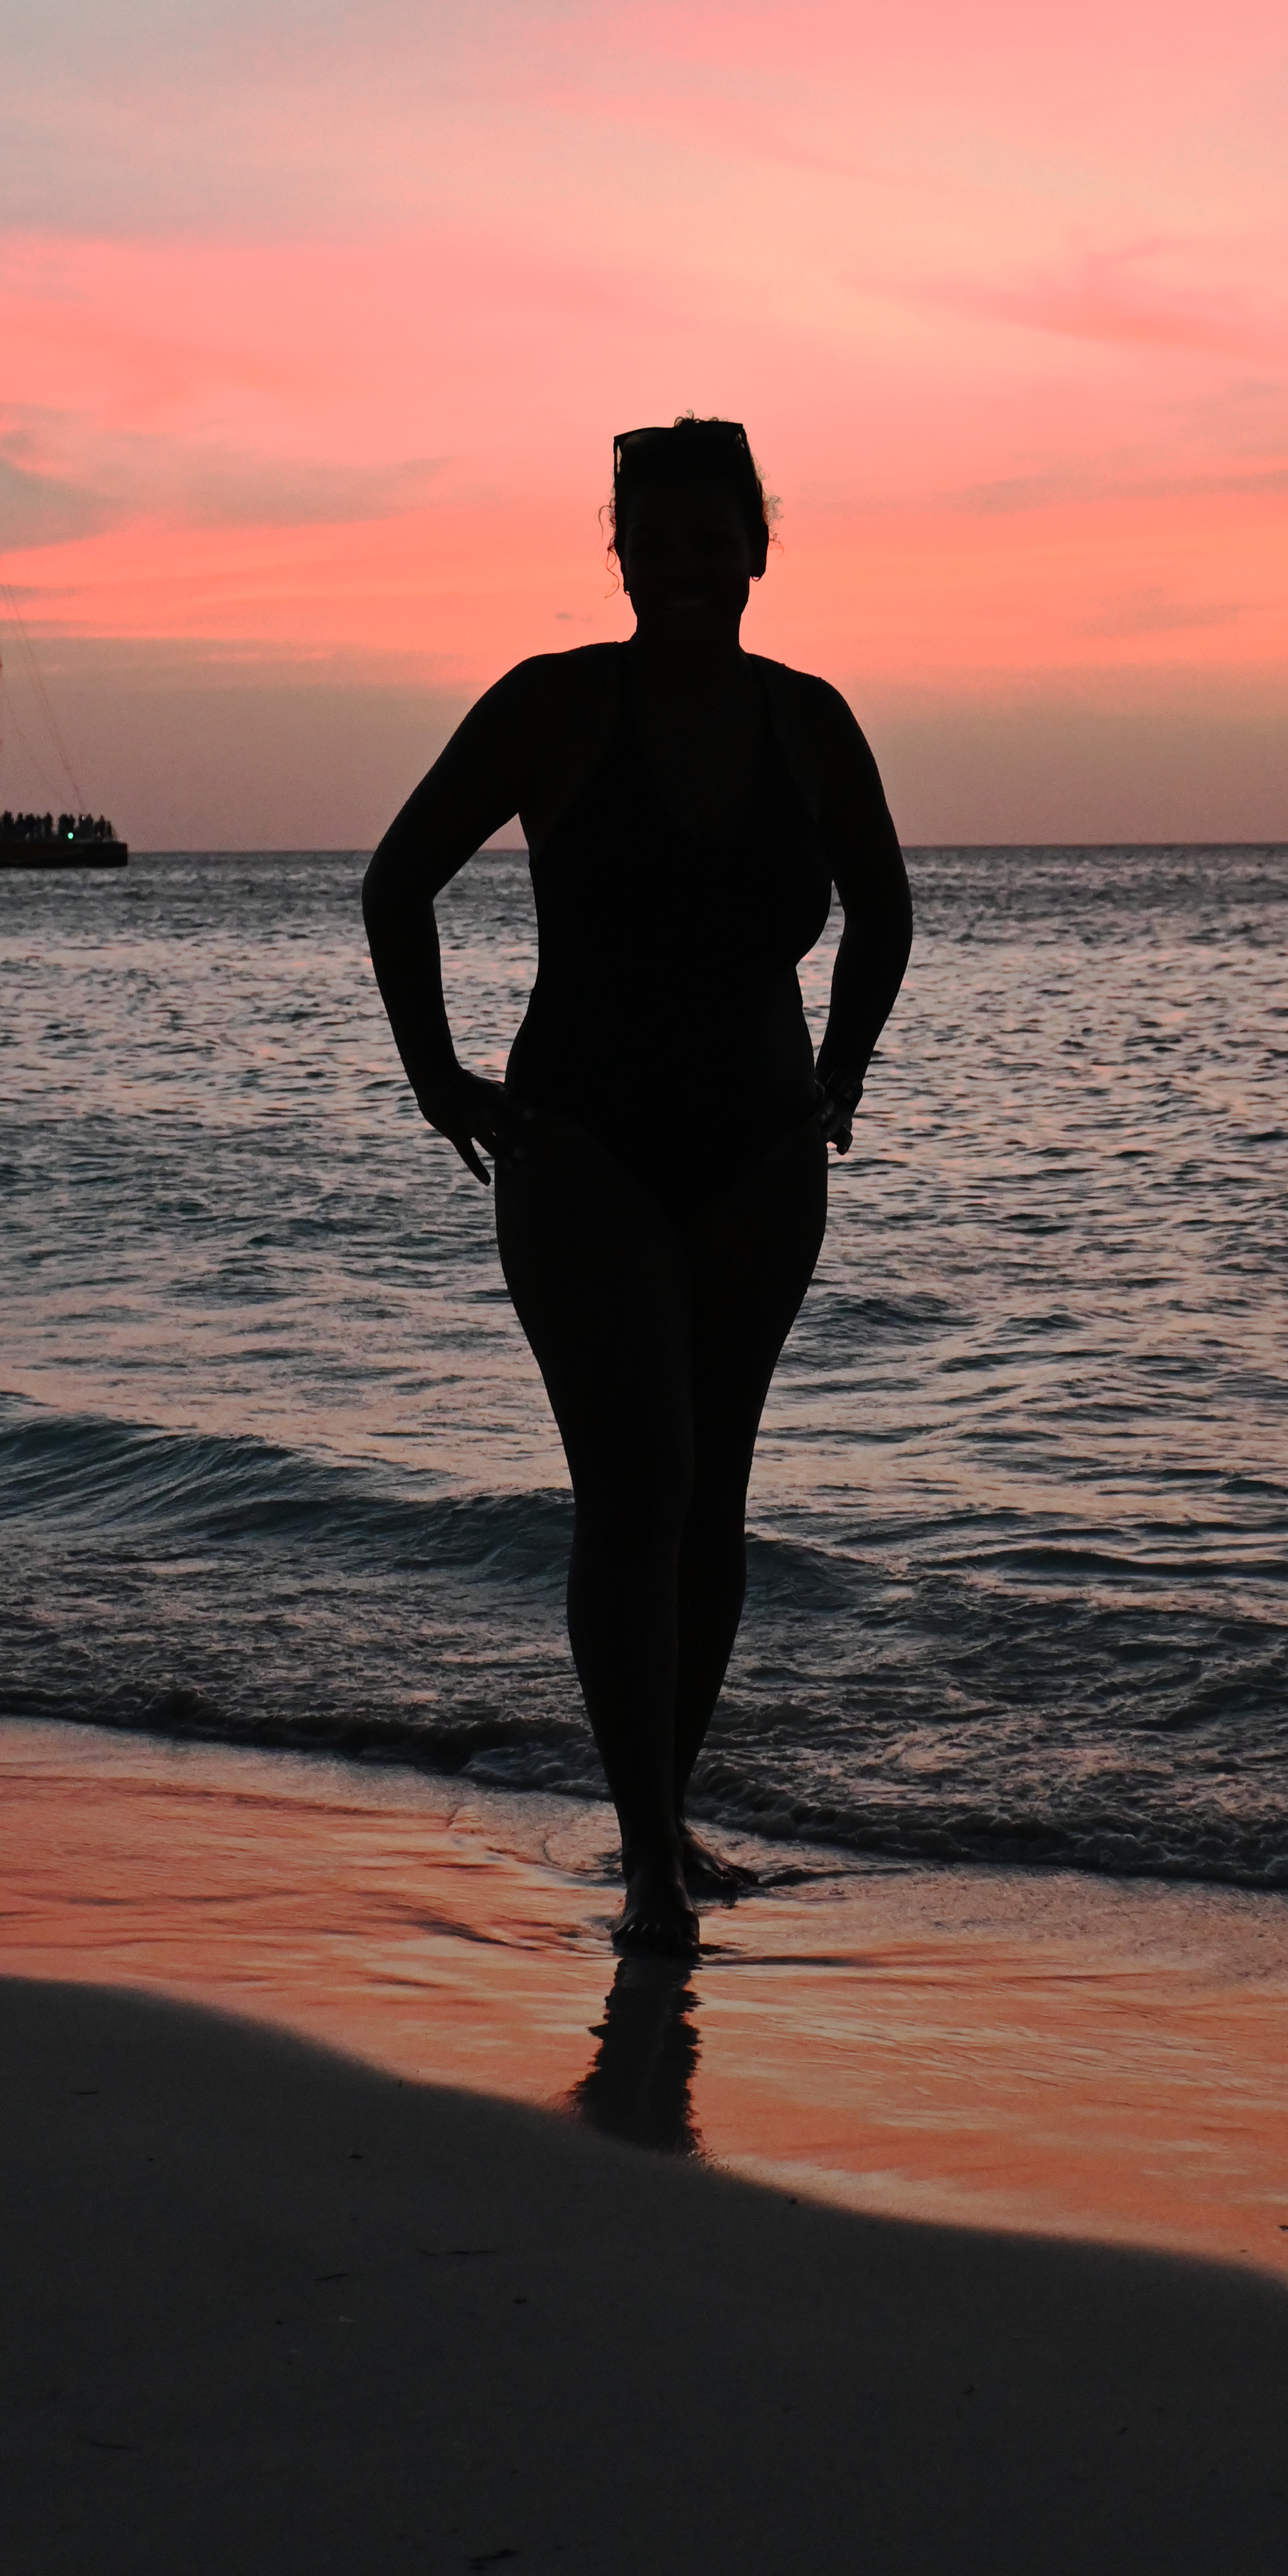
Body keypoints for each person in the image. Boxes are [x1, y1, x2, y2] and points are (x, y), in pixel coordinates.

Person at [361, 417, 913, 1956]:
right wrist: (435, 1080)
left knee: (714, 1496)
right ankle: (650, 1862)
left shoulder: (809, 722)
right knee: (638, 1489)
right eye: (647, 542)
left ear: (756, 546)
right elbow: (398, 877)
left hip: (756, 1151)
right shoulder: (549, 706)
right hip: (580, 1147)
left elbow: (883, 909)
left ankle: (662, 1820)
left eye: (706, 539)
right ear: (616, 554)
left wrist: (843, 1072)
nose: (678, 569)